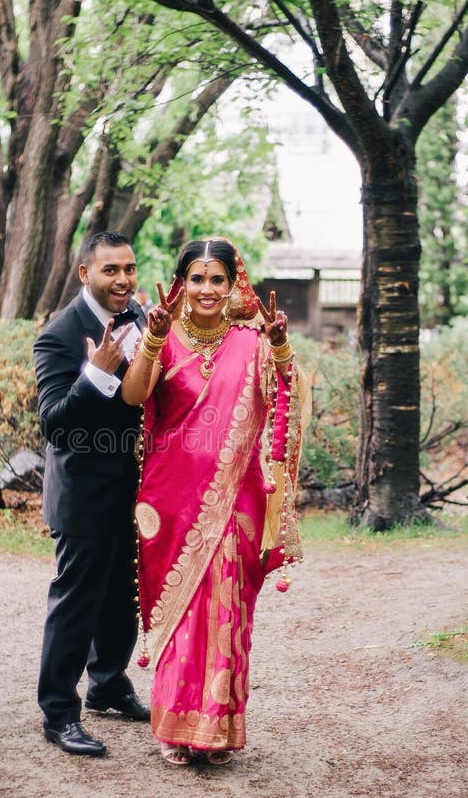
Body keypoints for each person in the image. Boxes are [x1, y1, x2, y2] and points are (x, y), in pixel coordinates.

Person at [122, 237, 311, 766]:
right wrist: (154, 341)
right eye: (197, 279)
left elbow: (285, 399)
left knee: (226, 606)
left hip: (234, 501)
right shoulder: (164, 334)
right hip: (170, 500)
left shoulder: (251, 342)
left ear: (233, 285)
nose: (207, 290)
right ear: (182, 283)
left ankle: (217, 726)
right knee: (180, 615)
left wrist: (279, 348)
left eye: (217, 280)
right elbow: (135, 395)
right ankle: (175, 727)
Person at [33, 231, 151, 757]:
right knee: (76, 605)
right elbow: (54, 426)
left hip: (136, 492)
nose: (122, 280)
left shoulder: (142, 322)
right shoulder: (59, 336)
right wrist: (94, 375)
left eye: (128, 269)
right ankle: (60, 713)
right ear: (86, 274)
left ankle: (107, 682)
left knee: (123, 600)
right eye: (111, 270)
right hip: (82, 495)